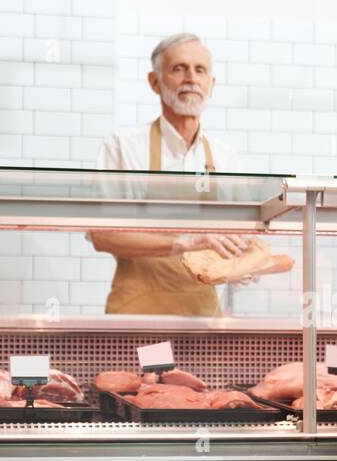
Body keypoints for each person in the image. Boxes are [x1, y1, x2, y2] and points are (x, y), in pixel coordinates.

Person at [89, 32, 255, 316]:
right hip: (138, 315)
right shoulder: (123, 145)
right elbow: (103, 234)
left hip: (203, 318)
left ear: (211, 85)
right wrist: (183, 243)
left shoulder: (226, 157)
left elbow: (241, 238)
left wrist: (245, 266)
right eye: (179, 68)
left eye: (200, 70)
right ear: (155, 82)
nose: (191, 77)